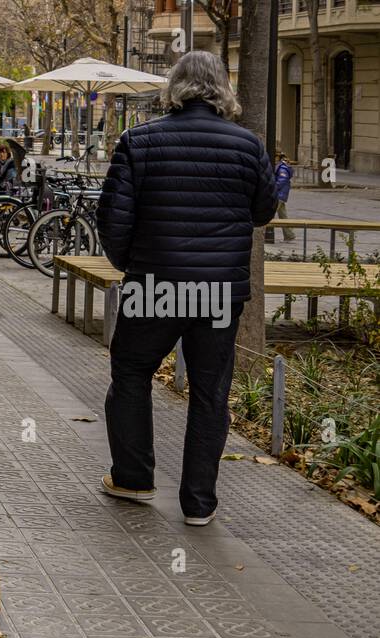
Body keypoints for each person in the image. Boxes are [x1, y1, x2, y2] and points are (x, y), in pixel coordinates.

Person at [95, 49, 276, 526]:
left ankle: (133, 479)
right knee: (211, 392)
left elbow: (112, 221)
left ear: (174, 87)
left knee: (132, 373)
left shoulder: (139, 141)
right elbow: (262, 212)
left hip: (153, 285)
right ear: (224, 89)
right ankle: (198, 503)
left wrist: (131, 266)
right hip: (218, 292)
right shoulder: (247, 146)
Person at [271, 151, 296, 243]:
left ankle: (267, 235)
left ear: (278, 157)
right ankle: (289, 235)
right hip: (281, 195)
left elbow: (282, 180)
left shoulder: (282, 167)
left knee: (270, 215)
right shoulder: (280, 166)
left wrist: (272, 188)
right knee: (283, 216)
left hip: (279, 195)